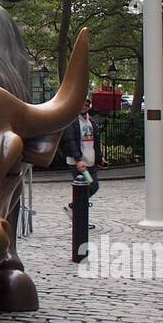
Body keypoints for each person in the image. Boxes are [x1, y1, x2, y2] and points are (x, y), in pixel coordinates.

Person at [60, 96, 104, 231]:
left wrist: (100, 158)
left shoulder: (92, 122)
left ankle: (74, 208)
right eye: (82, 104)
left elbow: (95, 143)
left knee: (92, 187)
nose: (84, 107)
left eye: (87, 105)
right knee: (87, 187)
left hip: (91, 162)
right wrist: (78, 160)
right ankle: (79, 218)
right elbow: (70, 141)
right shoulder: (72, 122)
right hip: (79, 164)